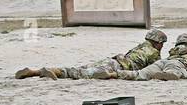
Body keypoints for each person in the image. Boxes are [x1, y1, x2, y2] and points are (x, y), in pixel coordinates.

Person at [15, 29, 167, 79]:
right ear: (158, 43)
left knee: (80, 69)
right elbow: (153, 70)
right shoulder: (154, 52)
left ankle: (36, 71)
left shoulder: (140, 46)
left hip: (114, 60)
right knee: (82, 73)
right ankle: (42, 71)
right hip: (116, 67)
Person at [112, 34, 187, 81]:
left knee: (140, 74)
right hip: (178, 64)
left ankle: (114, 73)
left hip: (163, 62)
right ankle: (168, 74)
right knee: (175, 72)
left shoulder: (173, 52)